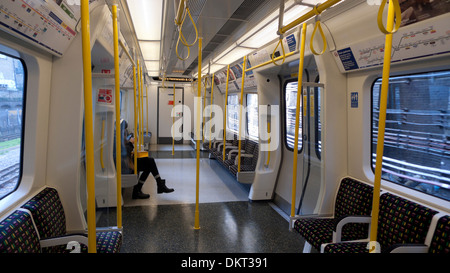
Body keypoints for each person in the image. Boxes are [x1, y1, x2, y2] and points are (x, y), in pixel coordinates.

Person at [119, 120, 174, 199]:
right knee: (149, 163)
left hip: (127, 161)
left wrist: (129, 142)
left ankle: (153, 186)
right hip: (126, 165)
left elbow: (125, 148)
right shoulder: (120, 141)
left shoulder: (119, 138)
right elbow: (126, 155)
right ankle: (158, 185)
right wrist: (130, 143)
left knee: (150, 162)